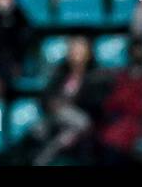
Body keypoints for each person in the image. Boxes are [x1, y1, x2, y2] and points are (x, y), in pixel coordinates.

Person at [97, 37, 142, 164]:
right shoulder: (124, 74)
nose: (138, 53)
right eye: (135, 50)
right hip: (121, 122)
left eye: (141, 50)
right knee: (109, 141)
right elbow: (113, 101)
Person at [30, 36, 102, 166]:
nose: (76, 54)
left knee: (80, 124)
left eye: (80, 50)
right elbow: (45, 97)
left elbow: (95, 104)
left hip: (80, 118)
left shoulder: (95, 76)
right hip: (58, 117)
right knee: (65, 130)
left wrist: (69, 104)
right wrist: (52, 103)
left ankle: (44, 157)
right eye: (73, 50)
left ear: (88, 53)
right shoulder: (61, 73)